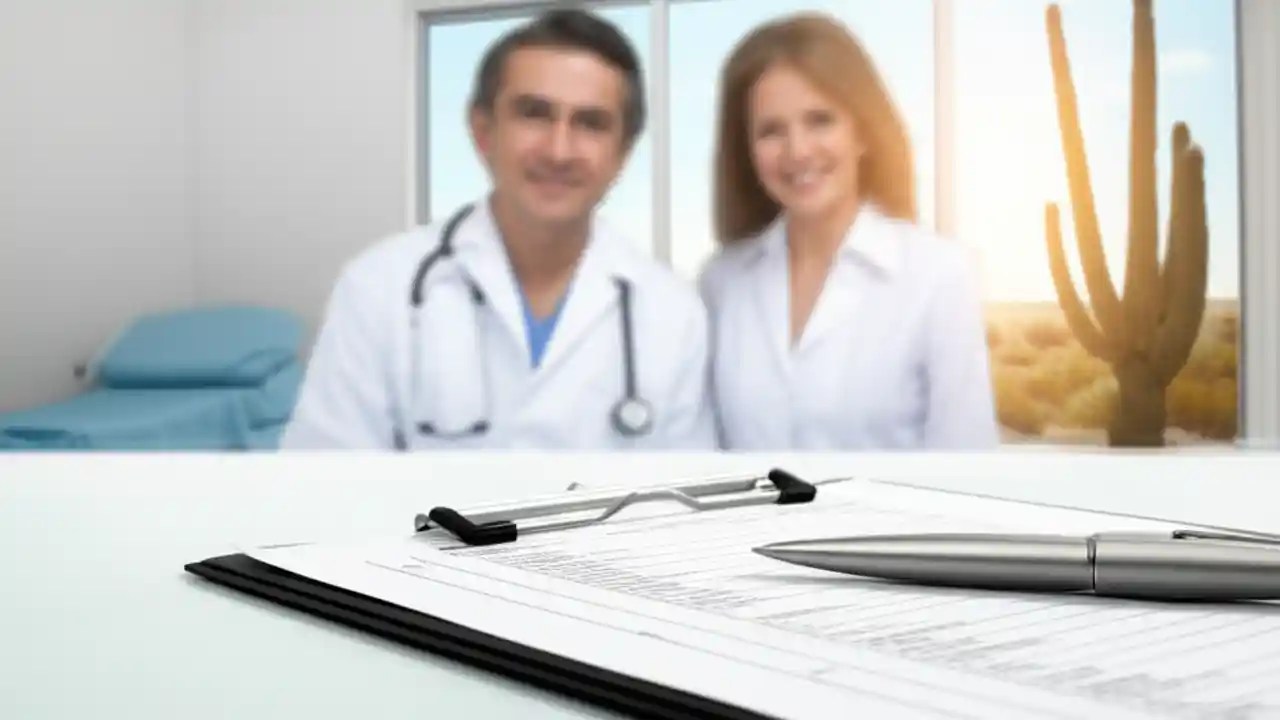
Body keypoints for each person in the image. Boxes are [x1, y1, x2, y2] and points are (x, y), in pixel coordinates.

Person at [282, 9, 716, 451]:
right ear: (483, 130)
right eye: (534, 114)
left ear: (622, 153)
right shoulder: (378, 288)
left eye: (590, 123)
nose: (559, 150)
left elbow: (685, 503)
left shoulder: (673, 313)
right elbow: (322, 485)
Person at [699, 13, 999, 450]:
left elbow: (969, 464)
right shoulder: (721, 284)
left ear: (862, 132)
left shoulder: (939, 274)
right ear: (746, 150)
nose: (798, 151)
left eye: (820, 120)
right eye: (771, 131)